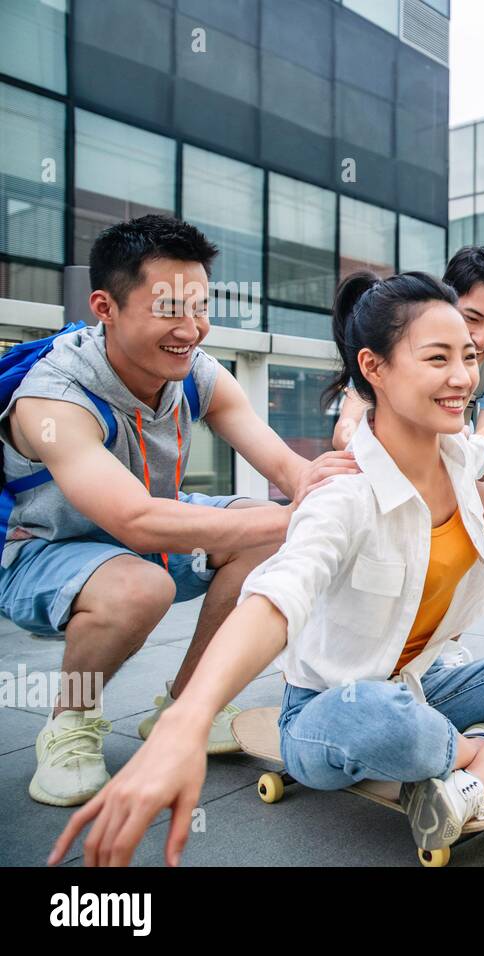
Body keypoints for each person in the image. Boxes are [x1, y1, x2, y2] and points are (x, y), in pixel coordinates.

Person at [49, 270, 484, 866]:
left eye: (469, 356)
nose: (462, 378)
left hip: (416, 691)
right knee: (379, 716)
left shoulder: (456, 457)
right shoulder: (343, 493)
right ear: (374, 368)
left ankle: (470, 778)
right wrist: (188, 719)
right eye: (437, 359)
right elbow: (274, 598)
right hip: (331, 712)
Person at [0, 215, 358, 808]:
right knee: (141, 586)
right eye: (169, 309)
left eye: (200, 307)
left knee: (275, 543)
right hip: (43, 549)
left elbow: (286, 469)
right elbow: (134, 521)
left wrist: (329, 489)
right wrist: (295, 517)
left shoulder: (198, 372)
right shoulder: (54, 398)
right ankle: (71, 725)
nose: (190, 329)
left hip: (152, 528)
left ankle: (188, 706)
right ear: (105, 307)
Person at [333, 245, 484, 571]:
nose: (481, 338)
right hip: (386, 450)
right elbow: (345, 433)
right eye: (472, 318)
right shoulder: (399, 334)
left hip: (457, 449)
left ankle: (459, 605)